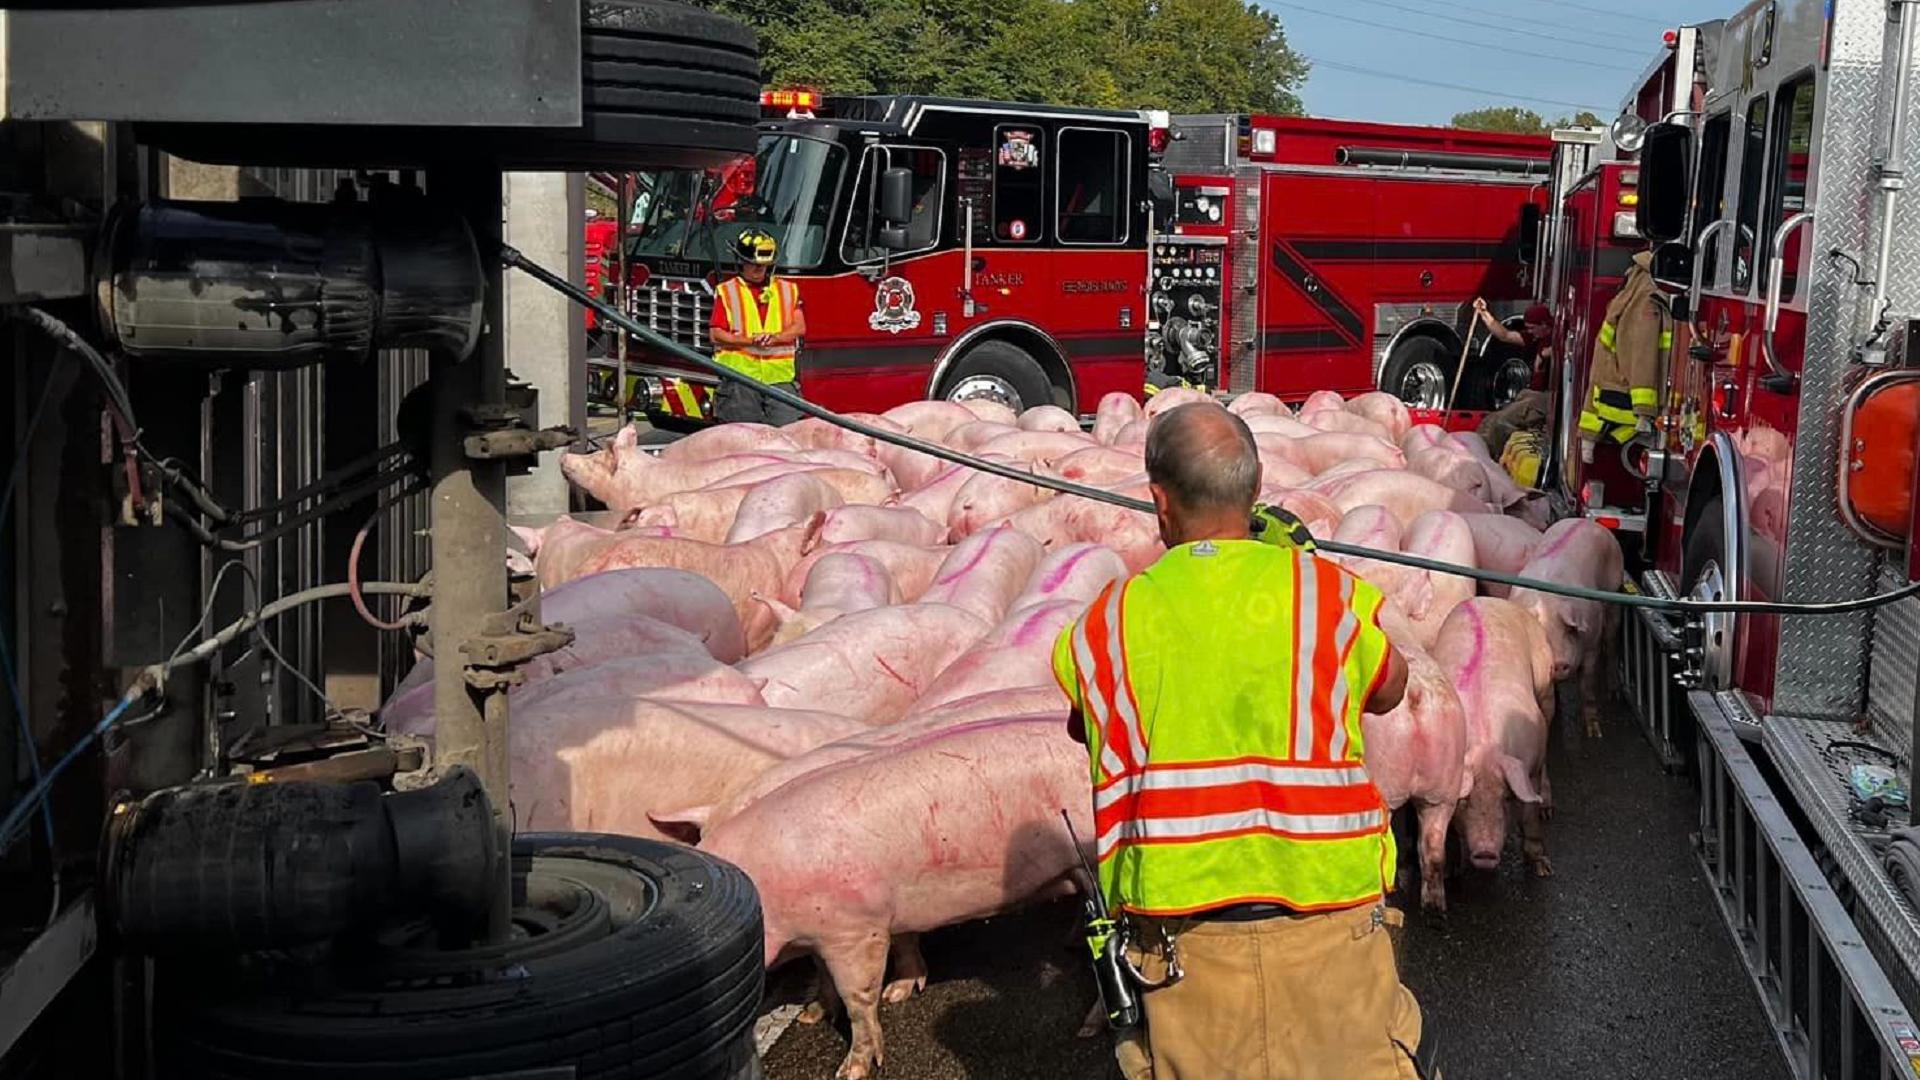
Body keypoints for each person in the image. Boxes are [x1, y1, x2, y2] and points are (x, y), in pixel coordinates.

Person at [1052, 403, 1434, 1080]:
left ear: (1158, 502)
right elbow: (1391, 687)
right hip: (1330, 935)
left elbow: (1088, 723)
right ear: (1256, 492)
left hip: (1183, 956)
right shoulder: (1325, 597)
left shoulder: (1106, 622)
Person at [709, 228, 805, 426]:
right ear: (741, 262)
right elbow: (716, 334)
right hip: (740, 381)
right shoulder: (728, 291)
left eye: (763, 265)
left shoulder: (787, 289)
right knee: (742, 440)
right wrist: (750, 340)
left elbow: (799, 327)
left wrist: (775, 337)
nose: (759, 269)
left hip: (780, 381)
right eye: (754, 264)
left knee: (789, 438)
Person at [1472, 298, 1554, 459]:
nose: (1529, 332)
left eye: (1532, 328)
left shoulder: (1558, 339)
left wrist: (1546, 354)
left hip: (1546, 398)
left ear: (1545, 325)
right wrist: (1484, 313)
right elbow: (1505, 335)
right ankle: (1475, 449)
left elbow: (1567, 349)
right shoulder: (1538, 337)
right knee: (1491, 419)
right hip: (1531, 394)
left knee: (1500, 423)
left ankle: (1486, 459)